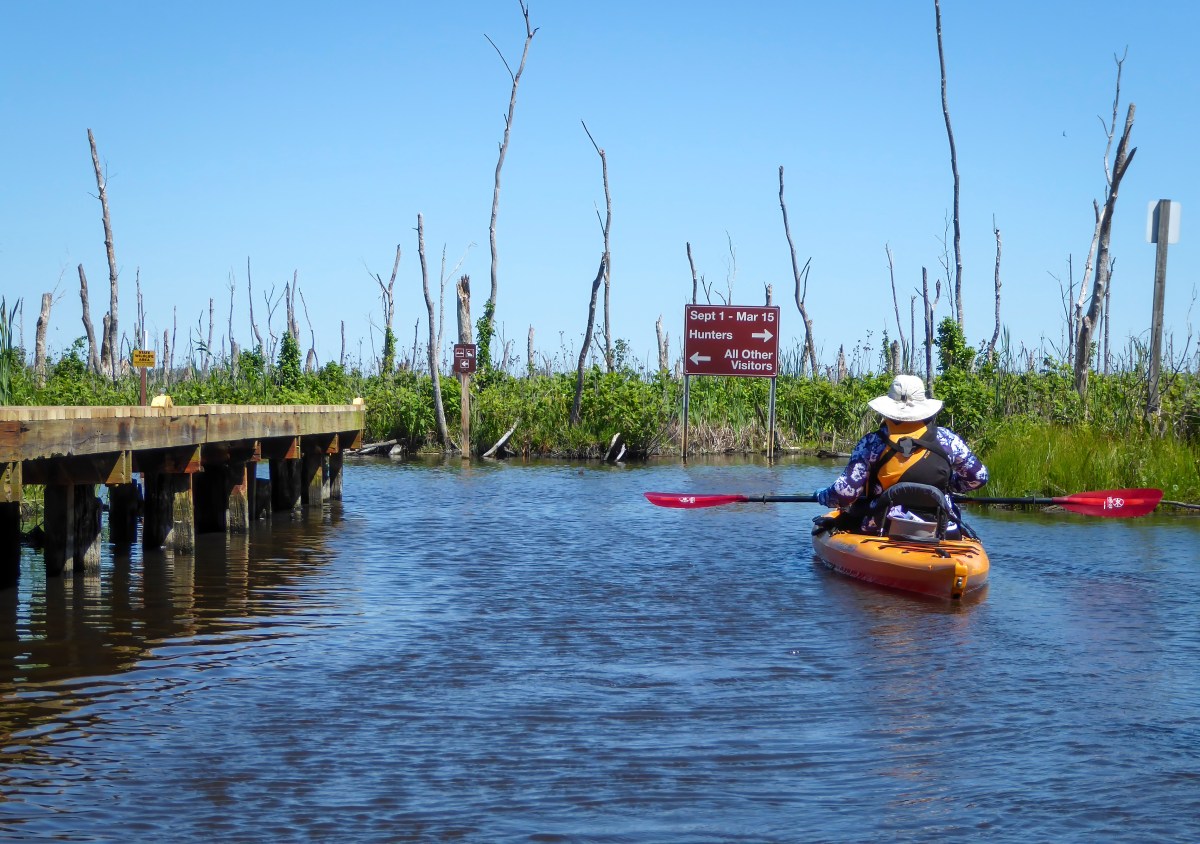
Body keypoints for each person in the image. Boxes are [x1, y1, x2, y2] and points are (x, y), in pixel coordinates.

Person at [813, 373, 988, 536]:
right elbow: (978, 477)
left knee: (850, 516)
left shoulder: (872, 443)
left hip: (884, 527)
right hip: (940, 528)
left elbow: (845, 493)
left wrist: (823, 496)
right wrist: (948, 486)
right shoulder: (948, 440)